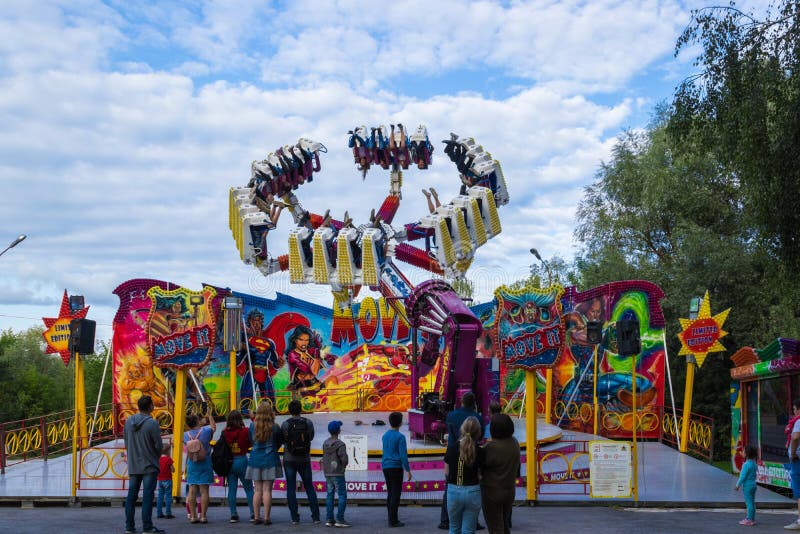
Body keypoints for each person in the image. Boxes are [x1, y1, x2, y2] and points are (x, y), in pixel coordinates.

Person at [440, 392, 484, 531]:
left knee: (454, 527)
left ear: (461, 401)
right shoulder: (477, 418)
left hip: (454, 480)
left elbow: (447, 473)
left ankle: (444, 520)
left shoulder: (451, 416)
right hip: (472, 488)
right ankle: (472, 522)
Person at [123, 394, 165, 534]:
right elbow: (158, 445)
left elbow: (126, 441)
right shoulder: (152, 423)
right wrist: (156, 456)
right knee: (148, 495)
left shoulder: (128, 421)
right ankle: (147, 527)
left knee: (131, 496)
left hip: (134, 465)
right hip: (149, 465)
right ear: (151, 406)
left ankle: (129, 526)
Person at [281, 399, 321, 524]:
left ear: (289, 410)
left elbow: (283, 440)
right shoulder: (308, 422)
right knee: (309, 487)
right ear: (301, 409)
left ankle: (294, 518)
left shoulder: (285, 424)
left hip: (289, 459)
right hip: (304, 459)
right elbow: (311, 437)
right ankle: (315, 517)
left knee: (291, 488)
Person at [481, 414, 520, 534]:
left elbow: (480, 465)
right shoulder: (514, 443)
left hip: (492, 493)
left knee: (495, 528)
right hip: (509, 491)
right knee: (503, 525)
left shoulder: (490, 448)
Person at [246, 401, 284, 525]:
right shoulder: (275, 426)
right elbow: (279, 443)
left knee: (257, 490)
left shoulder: (252, 426)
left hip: (255, 459)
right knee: (267, 490)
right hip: (270, 459)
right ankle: (267, 517)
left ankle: (256, 517)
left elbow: (251, 441)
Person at [238, 309, 284, 408]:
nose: (256, 323)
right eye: (254, 321)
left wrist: (278, 363)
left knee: (270, 400)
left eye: (258, 321)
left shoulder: (269, 342)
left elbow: (275, 362)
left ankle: (269, 411)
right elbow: (238, 361)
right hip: (251, 372)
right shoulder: (246, 339)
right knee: (246, 400)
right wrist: (239, 349)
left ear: (261, 322)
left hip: (265, 372)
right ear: (250, 322)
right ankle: (246, 411)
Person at [446, 417, 484, 534]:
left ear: (462, 429)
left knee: (454, 528)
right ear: (478, 432)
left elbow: (447, 472)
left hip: (454, 491)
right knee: (468, 530)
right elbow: (480, 475)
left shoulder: (452, 448)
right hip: (473, 491)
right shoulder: (480, 451)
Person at [183, 413, 216, 524]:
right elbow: (213, 428)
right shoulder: (206, 432)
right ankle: (203, 516)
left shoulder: (185, 435)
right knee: (204, 491)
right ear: (197, 421)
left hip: (192, 464)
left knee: (192, 490)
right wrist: (210, 416)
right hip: (205, 463)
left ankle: (193, 516)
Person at [222, 409, 254, 523]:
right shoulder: (245, 431)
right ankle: (253, 513)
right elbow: (251, 443)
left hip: (230, 462)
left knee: (232, 489)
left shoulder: (224, 432)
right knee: (249, 488)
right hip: (242, 460)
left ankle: (233, 514)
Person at [382, 411, 412, 528]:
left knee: (390, 493)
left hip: (385, 466)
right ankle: (393, 520)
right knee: (395, 493)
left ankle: (390, 517)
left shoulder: (385, 436)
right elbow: (403, 455)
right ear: (400, 423)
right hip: (395, 467)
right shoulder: (400, 437)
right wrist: (408, 470)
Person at [322, 420, 350, 527]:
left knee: (330, 495)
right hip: (338, 473)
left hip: (328, 473)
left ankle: (329, 519)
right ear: (339, 431)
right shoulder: (340, 444)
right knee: (342, 495)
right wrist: (344, 466)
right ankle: (340, 519)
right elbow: (344, 459)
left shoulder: (325, 443)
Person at [286, 326, 326, 397]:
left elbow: (326, 359)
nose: (304, 343)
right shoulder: (292, 355)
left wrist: (318, 349)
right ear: (295, 340)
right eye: (301, 340)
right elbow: (312, 371)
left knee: (333, 379)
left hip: (315, 383)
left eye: (306, 340)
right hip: (302, 386)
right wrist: (317, 352)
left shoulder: (310, 351)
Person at [787, 398, 800, 530]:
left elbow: (795, 437)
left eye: (795, 409)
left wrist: (793, 452)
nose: (794, 412)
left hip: (798, 461)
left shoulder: (799, 421)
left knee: (799, 491)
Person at [735, 445, 757, 526]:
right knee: (752, 502)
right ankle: (752, 518)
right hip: (753, 485)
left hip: (747, 486)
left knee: (749, 503)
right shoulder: (754, 464)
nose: (742, 452)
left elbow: (742, 477)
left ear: (747, 454)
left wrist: (737, 485)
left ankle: (749, 519)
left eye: (743, 451)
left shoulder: (746, 465)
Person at [156, 442, 174, 520]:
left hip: (160, 480)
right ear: (168, 451)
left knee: (160, 496)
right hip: (168, 480)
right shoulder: (168, 459)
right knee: (168, 497)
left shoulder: (158, 459)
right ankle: (168, 513)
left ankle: (159, 513)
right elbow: (173, 470)